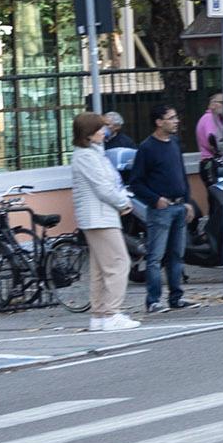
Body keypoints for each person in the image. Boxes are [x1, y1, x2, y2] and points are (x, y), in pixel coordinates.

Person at [69, 111, 140, 332]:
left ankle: (99, 315)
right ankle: (112, 313)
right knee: (119, 263)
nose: (104, 131)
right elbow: (103, 188)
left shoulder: (92, 153)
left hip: (98, 215)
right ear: (88, 133)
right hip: (99, 216)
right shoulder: (87, 157)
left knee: (101, 268)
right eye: (99, 128)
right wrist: (123, 203)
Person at [129, 104, 197, 312]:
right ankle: (153, 300)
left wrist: (188, 202)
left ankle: (176, 297)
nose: (176, 121)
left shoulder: (174, 143)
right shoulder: (147, 148)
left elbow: (181, 175)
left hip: (178, 206)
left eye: (176, 117)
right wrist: (154, 199)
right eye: (171, 117)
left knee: (176, 255)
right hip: (161, 209)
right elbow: (136, 182)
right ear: (159, 122)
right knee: (156, 256)